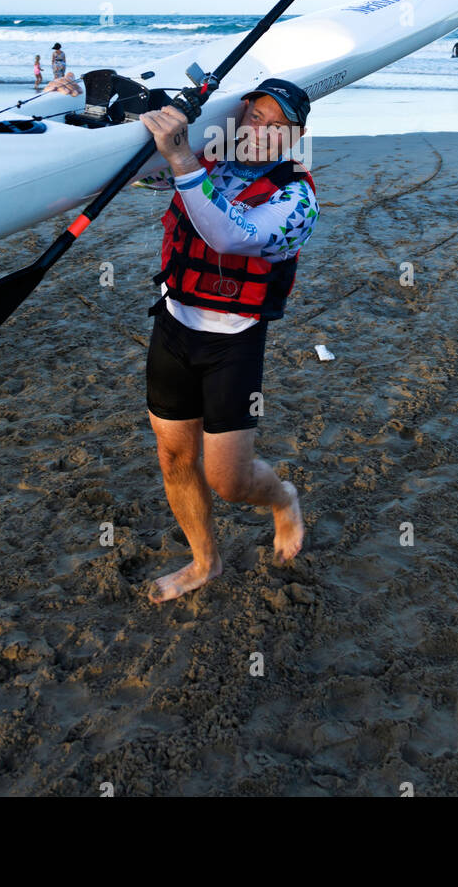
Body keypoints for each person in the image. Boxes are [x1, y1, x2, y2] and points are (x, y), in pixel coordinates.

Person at [135, 78, 320, 604]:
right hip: (173, 327)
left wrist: (180, 160)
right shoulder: (204, 158)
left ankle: (283, 499)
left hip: (232, 344)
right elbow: (129, 173)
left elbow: (231, 234)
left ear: (296, 137)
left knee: (229, 482)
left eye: (278, 126)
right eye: (257, 116)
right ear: (241, 115)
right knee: (174, 459)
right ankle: (204, 562)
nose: (263, 131)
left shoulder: (297, 199)